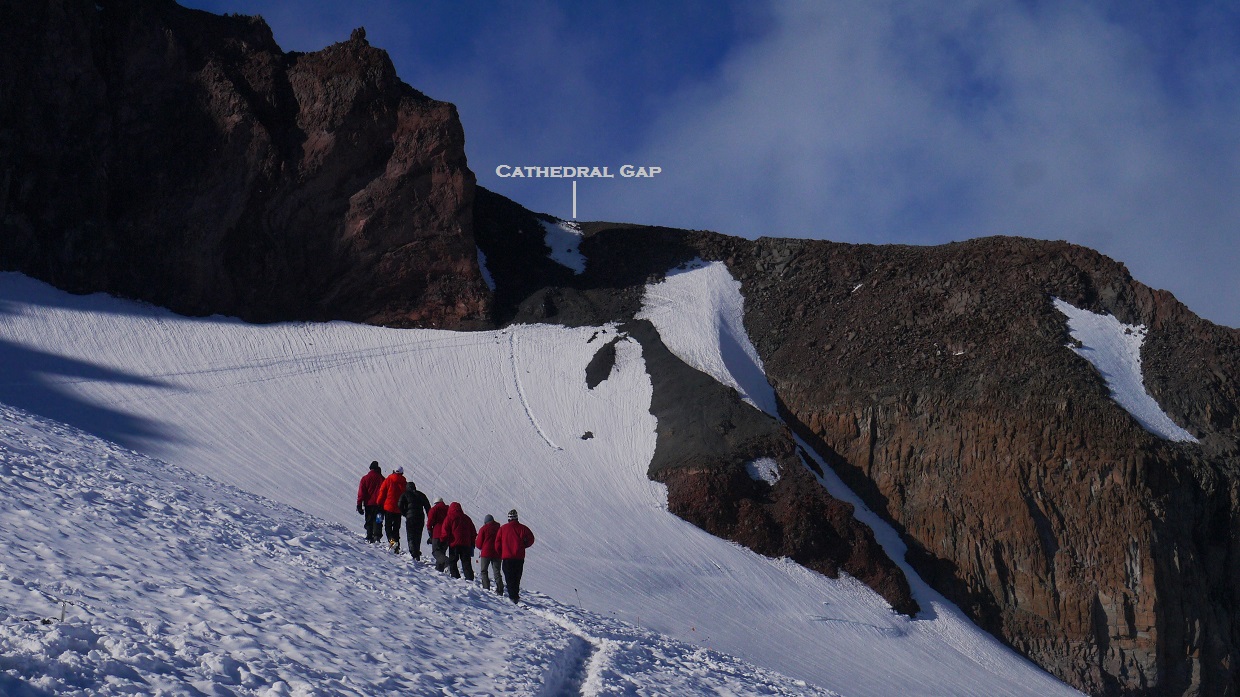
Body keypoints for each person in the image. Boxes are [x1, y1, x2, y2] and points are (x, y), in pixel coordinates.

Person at [495, 509, 535, 603]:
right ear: (517, 517)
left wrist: (501, 553)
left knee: (509, 577)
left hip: (507, 557)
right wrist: (524, 545)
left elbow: (497, 544)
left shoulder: (503, 529)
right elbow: (531, 539)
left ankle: (512, 596)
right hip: (519, 557)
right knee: (517, 577)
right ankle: (515, 595)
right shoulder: (523, 528)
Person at [375, 466, 408, 554]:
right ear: (402, 473)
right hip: (399, 509)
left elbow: (382, 492)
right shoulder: (404, 482)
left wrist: (379, 503)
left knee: (388, 526)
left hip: (388, 507)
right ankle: (397, 546)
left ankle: (392, 541)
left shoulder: (388, 479)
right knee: (396, 528)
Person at [398, 480, 432, 560]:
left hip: (410, 517)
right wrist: (429, 517)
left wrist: (404, 513)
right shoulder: (421, 494)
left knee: (411, 535)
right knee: (418, 535)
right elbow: (428, 507)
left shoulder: (405, 494)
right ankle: (416, 551)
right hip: (420, 517)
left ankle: (413, 552)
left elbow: (399, 504)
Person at [444, 502, 477, 581]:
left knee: (453, 561)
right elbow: (473, 532)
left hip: (454, 543)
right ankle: (469, 579)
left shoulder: (449, 517)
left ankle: (456, 578)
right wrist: (472, 543)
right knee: (466, 562)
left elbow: (445, 530)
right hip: (466, 544)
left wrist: (443, 540)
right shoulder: (467, 518)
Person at [355, 461, 384, 543]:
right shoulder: (381, 479)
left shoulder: (365, 479)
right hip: (379, 505)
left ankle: (369, 535)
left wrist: (359, 504)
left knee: (369, 520)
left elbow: (361, 493)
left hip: (368, 504)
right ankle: (377, 536)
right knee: (378, 520)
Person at [475, 514, 503, 595]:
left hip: (486, 553)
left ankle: (486, 588)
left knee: (484, 571)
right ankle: (500, 590)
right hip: (497, 553)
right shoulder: (499, 528)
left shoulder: (483, 529)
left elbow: (479, 543)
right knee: (497, 572)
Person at [426, 497, 449, 572]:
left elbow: (429, 523)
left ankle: (447, 561)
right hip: (447, 534)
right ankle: (439, 571)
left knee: (436, 552)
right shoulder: (448, 509)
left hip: (437, 533)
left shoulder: (434, 509)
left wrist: (430, 532)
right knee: (442, 552)